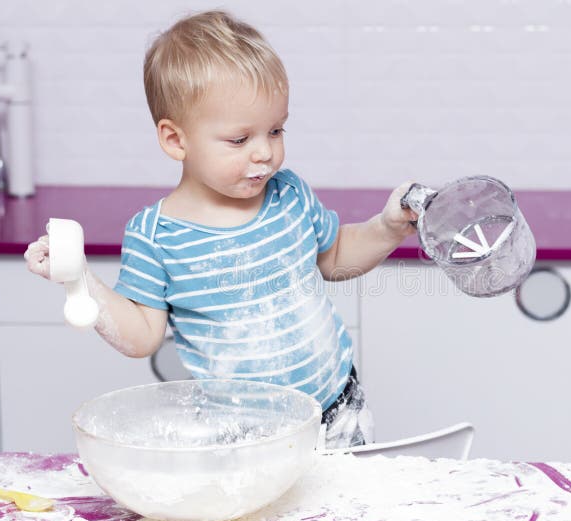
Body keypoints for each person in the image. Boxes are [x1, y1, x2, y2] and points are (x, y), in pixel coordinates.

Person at [24, 10, 417, 448]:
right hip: (247, 438)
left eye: (275, 129)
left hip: (339, 409)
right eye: (239, 139)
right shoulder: (157, 236)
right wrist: (82, 281)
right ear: (176, 140)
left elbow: (336, 255)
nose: (265, 153)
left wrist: (388, 228)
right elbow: (141, 336)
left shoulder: (288, 194)